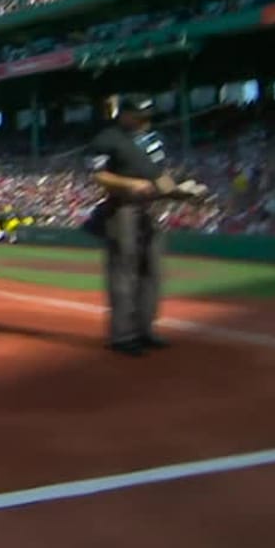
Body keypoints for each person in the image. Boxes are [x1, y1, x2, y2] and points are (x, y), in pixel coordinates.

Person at [83, 94, 205, 357]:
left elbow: (160, 176)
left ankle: (145, 329)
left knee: (152, 270)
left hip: (151, 209)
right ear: (125, 115)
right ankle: (122, 336)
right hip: (123, 208)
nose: (145, 121)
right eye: (140, 117)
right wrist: (130, 184)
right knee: (124, 271)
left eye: (148, 117)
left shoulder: (152, 140)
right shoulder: (107, 139)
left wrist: (183, 193)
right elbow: (98, 175)